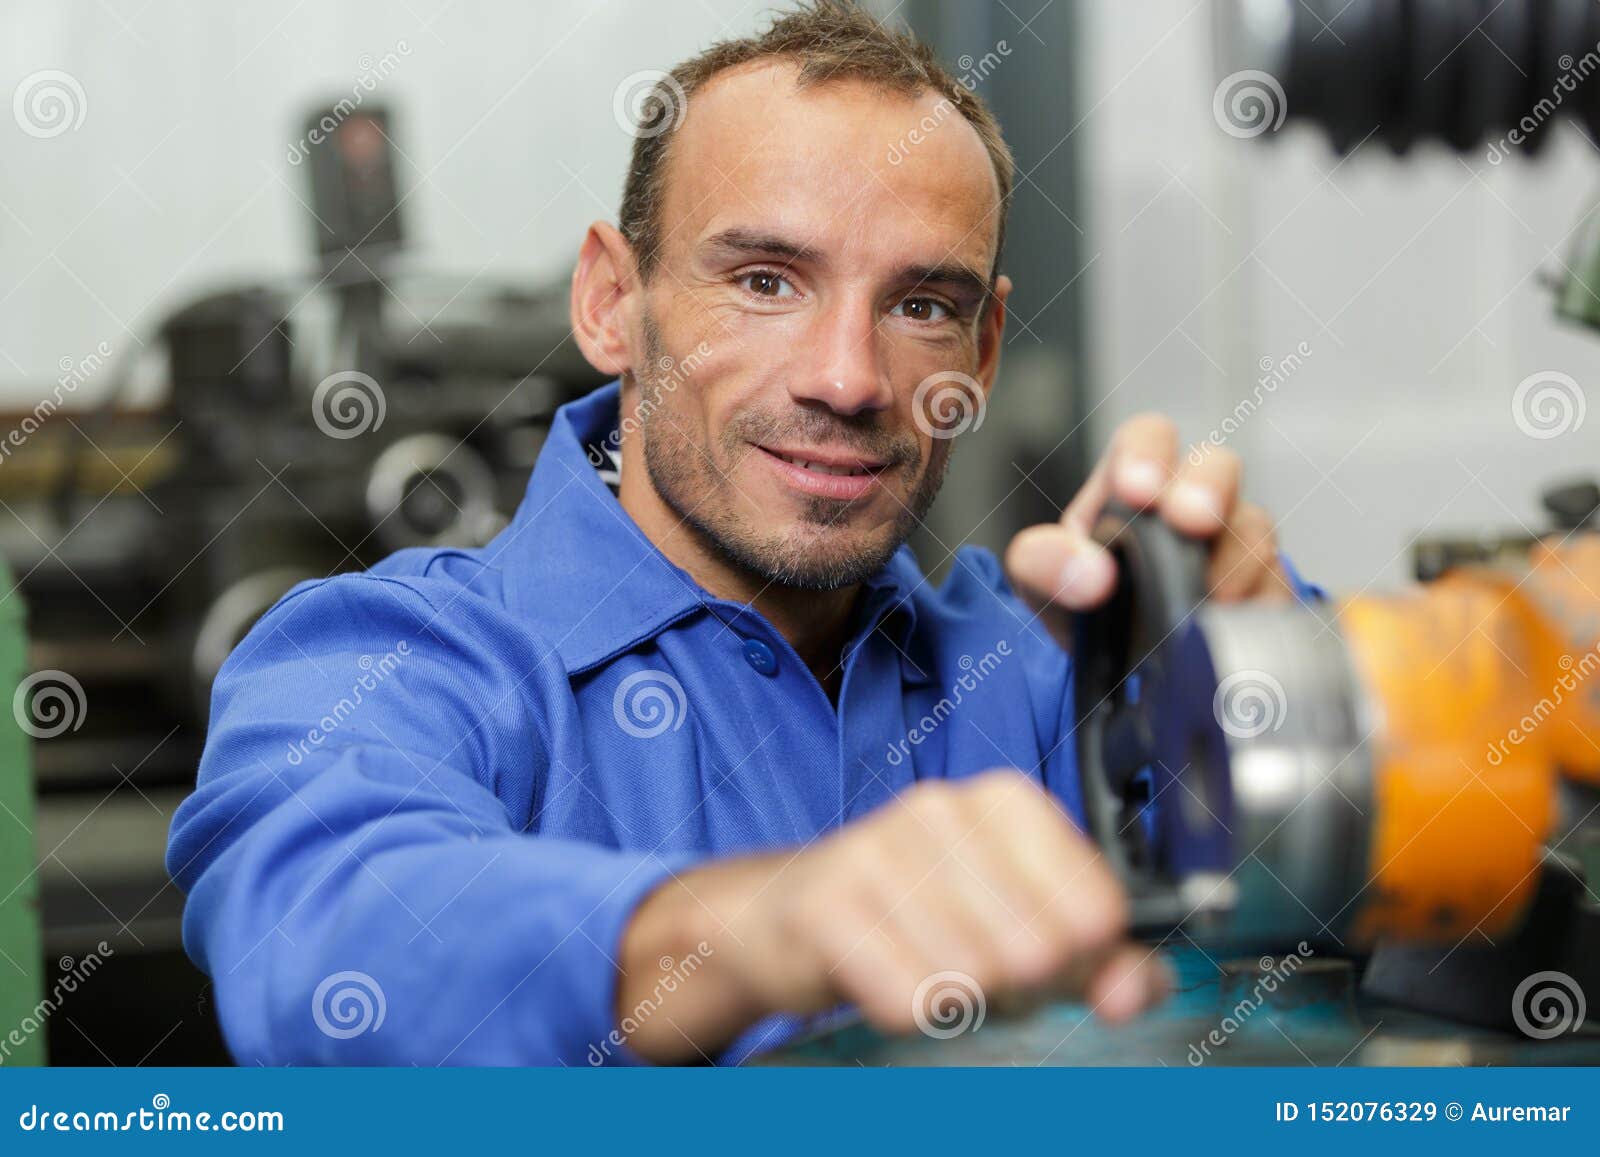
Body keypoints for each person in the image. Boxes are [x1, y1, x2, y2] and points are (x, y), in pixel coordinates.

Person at [166, 0, 1304, 1066]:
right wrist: (755, 926)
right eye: (765, 281)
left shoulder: (1062, 666)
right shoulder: (392, 661)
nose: (848, 379)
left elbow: (1384, 894)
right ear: (611, 303)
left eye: (921, 306)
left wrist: (1278, 681)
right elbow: (325, 934)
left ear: (984, 351)